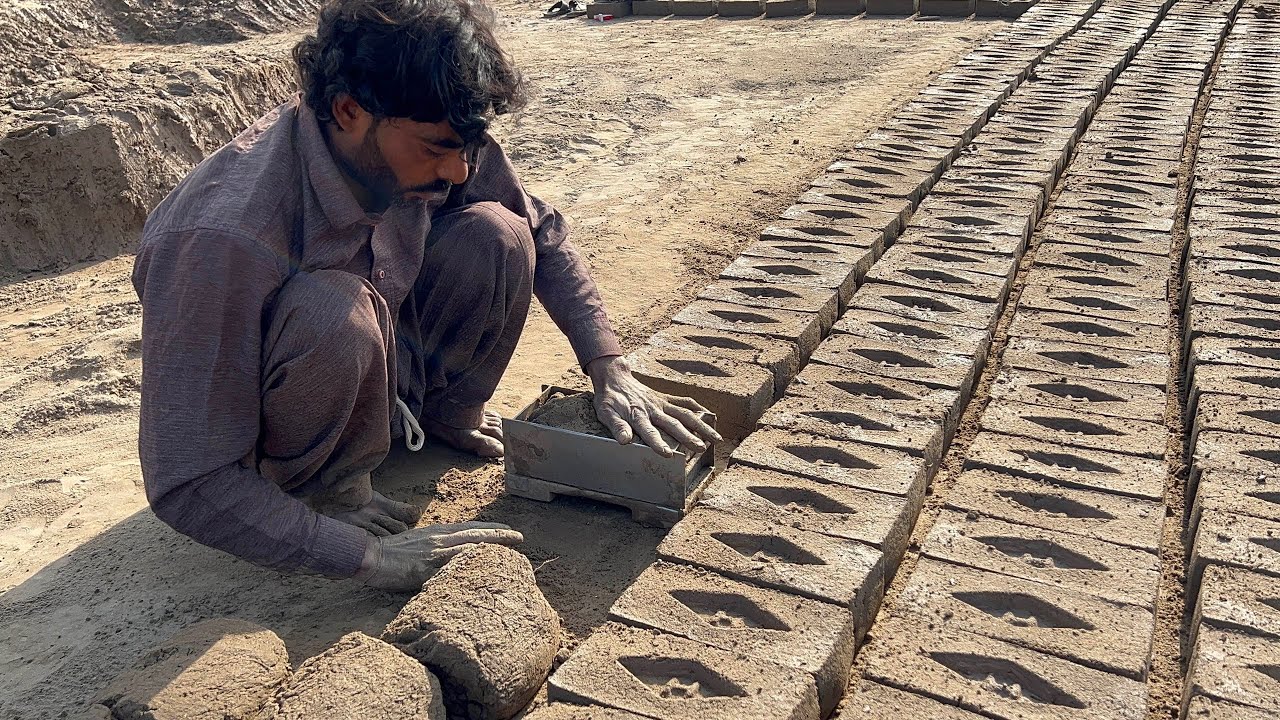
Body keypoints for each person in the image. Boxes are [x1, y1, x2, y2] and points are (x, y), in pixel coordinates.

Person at [131, 0, 720, 591]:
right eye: (438, 149)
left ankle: (443, 416)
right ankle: (323, 487)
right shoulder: (221, 238)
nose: (461, 170)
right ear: (349, 111)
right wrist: (368, 559)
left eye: (468, 146)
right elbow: (189, 478)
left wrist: (607, 363)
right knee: (333, 309)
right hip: (286, 409)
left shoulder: (430, 131)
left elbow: (541, 231)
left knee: (500, 232)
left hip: (384, 360)